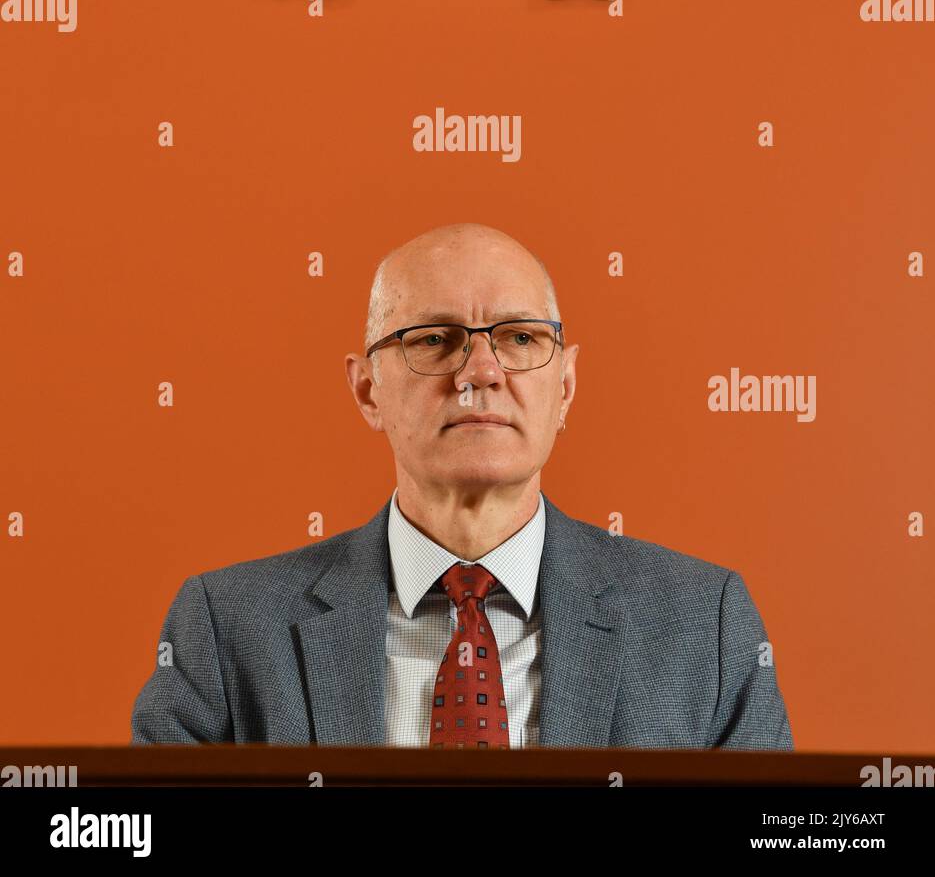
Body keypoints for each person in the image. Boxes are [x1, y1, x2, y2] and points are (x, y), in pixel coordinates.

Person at [131, 222, 793, 749]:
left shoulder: (704, 623)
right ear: (367, 390)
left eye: (519, 337)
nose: (479, 371)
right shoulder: (227, 629)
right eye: (435, 340)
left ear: (563, 387)